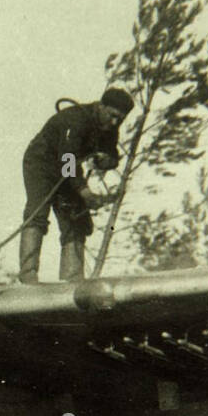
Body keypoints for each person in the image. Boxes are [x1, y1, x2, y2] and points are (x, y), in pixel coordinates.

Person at [19, 88, 133, 283]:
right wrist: (83, 190)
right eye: (112, 115)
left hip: (68, 171)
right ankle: (28, 275)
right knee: (37, 213)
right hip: (42, 164)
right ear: (101, 106)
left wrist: (106, 161)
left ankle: (72, 280)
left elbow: (112, 155)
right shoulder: (76, 119)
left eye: (120, 119)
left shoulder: (110, 127)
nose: (115, 122)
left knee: (76, 220)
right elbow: (68, 158)